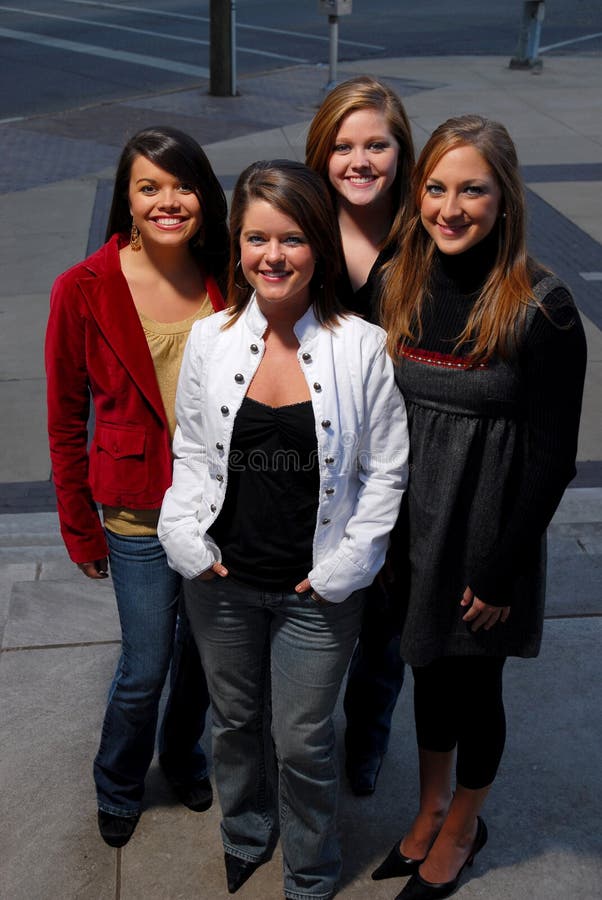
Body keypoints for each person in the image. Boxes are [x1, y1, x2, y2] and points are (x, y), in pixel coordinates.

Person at [158, 159, 409, 899]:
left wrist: (344, 569)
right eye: (257, 238)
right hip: (222, 581)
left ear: (319, 248)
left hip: (317, 591)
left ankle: (311, 866)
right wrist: (185, 542)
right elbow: (192, 451)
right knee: (234, 723)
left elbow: (386, 473)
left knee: (303, 740)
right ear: (237, 246)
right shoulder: (209, 339)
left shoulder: (362, 346)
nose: (273, 255)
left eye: (292, 238)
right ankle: (245, 832)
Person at [371, 115, 587, 899]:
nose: (450, 207)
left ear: (505, 198)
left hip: (489, 536)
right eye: (435, 187)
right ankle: (429, 808)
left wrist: (499, 573)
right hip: (410, 528)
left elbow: (553, 457)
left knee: (475, 687)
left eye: (473, 189)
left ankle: (464, 825)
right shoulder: (397, 278)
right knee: (425, 669)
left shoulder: (543, 308)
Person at [45, 125, 230, 848]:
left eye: (181, 185)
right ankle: (118, 780)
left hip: (217, 507)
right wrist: (78, 525)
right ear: (126, 199)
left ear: (203, 195)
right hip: (134, 511)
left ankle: (183, 755)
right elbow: (64, 418)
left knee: (203, 661)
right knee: (147, 663)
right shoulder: (83, 288)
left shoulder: (226, 272)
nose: (168, 200)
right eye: (149, 187)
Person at [306, 74, 415, 795]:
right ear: (322, 153)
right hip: (313, 462)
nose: (360, 160)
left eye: (377, 143)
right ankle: (300, 736)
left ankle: (368, 736)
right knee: (311, 616)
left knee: (388, 628)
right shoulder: (303, 224)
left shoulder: (425, 235)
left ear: (402, 151)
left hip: (404, 463)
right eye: (344, 145)